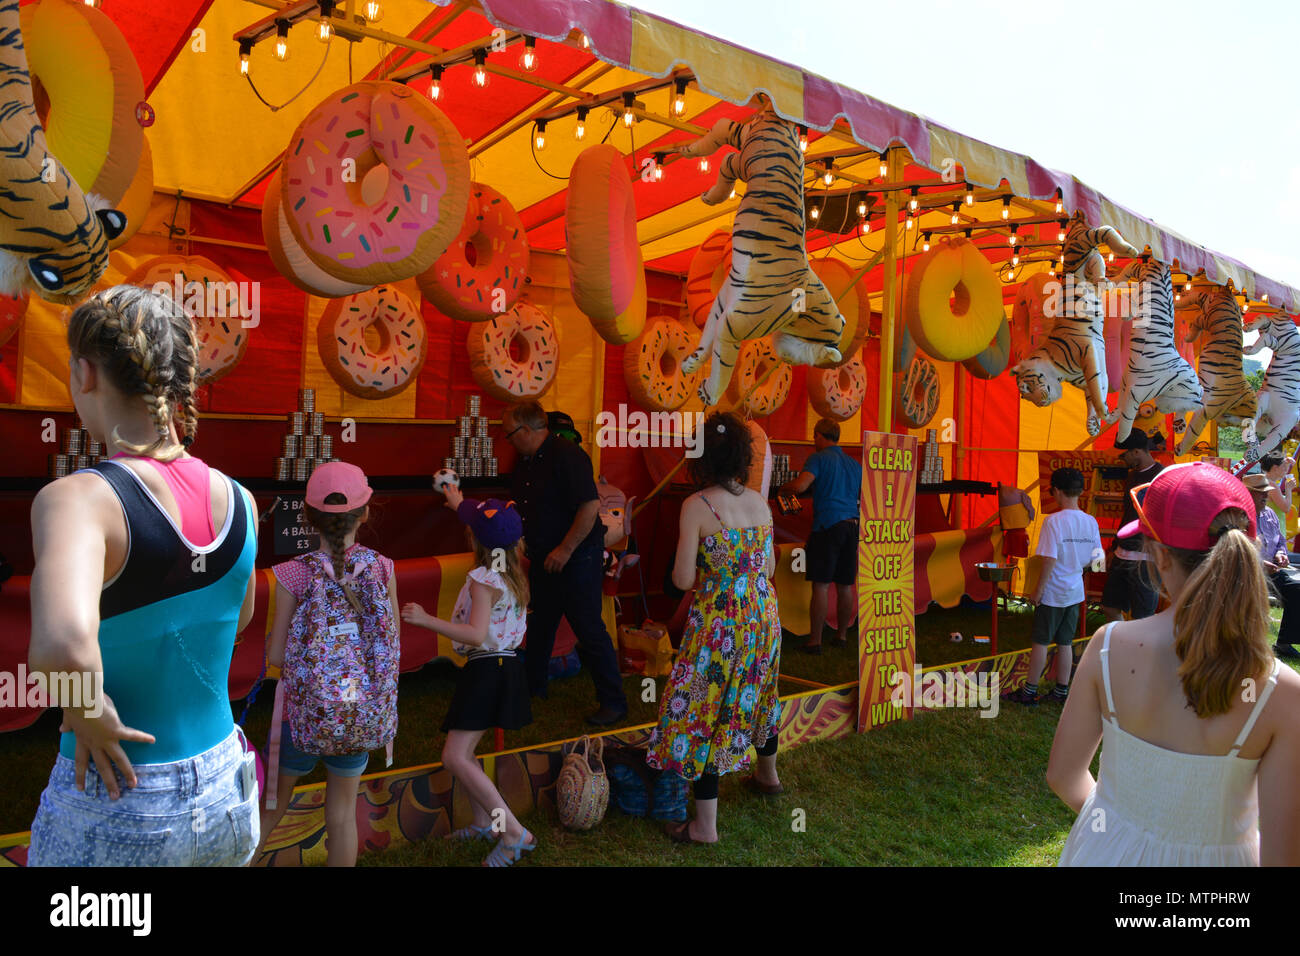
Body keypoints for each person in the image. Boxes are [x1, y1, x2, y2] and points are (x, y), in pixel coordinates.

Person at [27, 286, 260, 866]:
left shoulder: (78, 500)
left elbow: (60, 646)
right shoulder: (241, 499)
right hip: (228, 783)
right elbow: (241, 618)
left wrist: (85, 711)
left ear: (84, 373)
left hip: (124, 794)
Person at [1049, 462, 1300, 866]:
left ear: (1160, 556)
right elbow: (1283, 855)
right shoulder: (1282, 692)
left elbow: (1063, 776)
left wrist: (1120, 829)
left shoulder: (1108, 645)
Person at [647, 411, 782, 844]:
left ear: (700, 456)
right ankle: (768, 776)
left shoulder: (697, 506)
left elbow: (683, 580)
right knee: (758, 693)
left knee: (704, 707)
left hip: (721, 624)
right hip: (763, 617)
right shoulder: (760, 503)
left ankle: (705, 827)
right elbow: (771, 567)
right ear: (743, 455)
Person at [257, 461, 399, 867]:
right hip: (358, 713)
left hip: (302, 714)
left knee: (272, 807)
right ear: (366, 512)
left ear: (308, 517)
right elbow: (391, 643)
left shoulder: (293, 574)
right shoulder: (382, 568)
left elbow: (278, 656)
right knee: (341, 815)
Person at [402, 490, 537, 867]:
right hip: (503, 667)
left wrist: (428, 620)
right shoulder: (511, 573)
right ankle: (483, 822)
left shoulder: (483, 578)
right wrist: (455, 499)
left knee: (455, 756)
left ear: (474, 539)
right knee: (466, 752)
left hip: (486, 669)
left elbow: (476, 634)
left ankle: (513, 832)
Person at [502, 401, 628, 726]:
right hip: (545, 555)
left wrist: (565, 549)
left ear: (527, 430)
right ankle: (534, 687)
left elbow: (588, 508)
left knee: (589, 627)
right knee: (541, 623)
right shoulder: (526, 461)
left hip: (577, 557)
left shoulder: (568, 456)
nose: (508, 440)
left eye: (510, 434)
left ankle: (614, 702)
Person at [1005, 468, 1101, 706]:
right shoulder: (1091, 521)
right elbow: (1097, 560)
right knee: (1065, 642)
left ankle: (1029, 692)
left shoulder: (1053, 521)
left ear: (1057, 491)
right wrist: (1077, 569)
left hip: (1053, 592)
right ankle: (1061, 692)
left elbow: (1049, 559)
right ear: (1080, 491)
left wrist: (1038, 590)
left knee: (1040, 641)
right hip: (1074, 590)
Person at [778, 418, 862, 653]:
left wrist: (785, 488)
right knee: (846, 584)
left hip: (828, 525)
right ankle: (842, 635)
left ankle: (815, 641)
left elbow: (802, 486)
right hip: (852, 525)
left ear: (818, 435)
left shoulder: (818, 458)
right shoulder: (855, 464)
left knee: (822, 585)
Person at [1101, 430, 1162, 622]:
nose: (1121, 459)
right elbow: (1127, 514)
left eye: (1123, 454)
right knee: (1109, 607)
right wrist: (1114, 547)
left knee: (1142, 618)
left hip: (1147, 559)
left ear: (1136, 452)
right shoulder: (1131, 475)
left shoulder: (1161, 477)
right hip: (1122, 553)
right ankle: (1122, 644)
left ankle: (1139, 650)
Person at [1242, 472, 1300, 660]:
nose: (1266, 496)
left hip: (1271, 572)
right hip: (1245, 572)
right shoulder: (1238, 516)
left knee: (1296, 588)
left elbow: (1280, 541)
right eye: (1261, 493)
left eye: (1266, 492)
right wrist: (1259, 563)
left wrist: (1281, 553)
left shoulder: (1269, 514)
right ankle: (1245, 644)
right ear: (1248, 494)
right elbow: (1236, 549)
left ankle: (1284, 642)